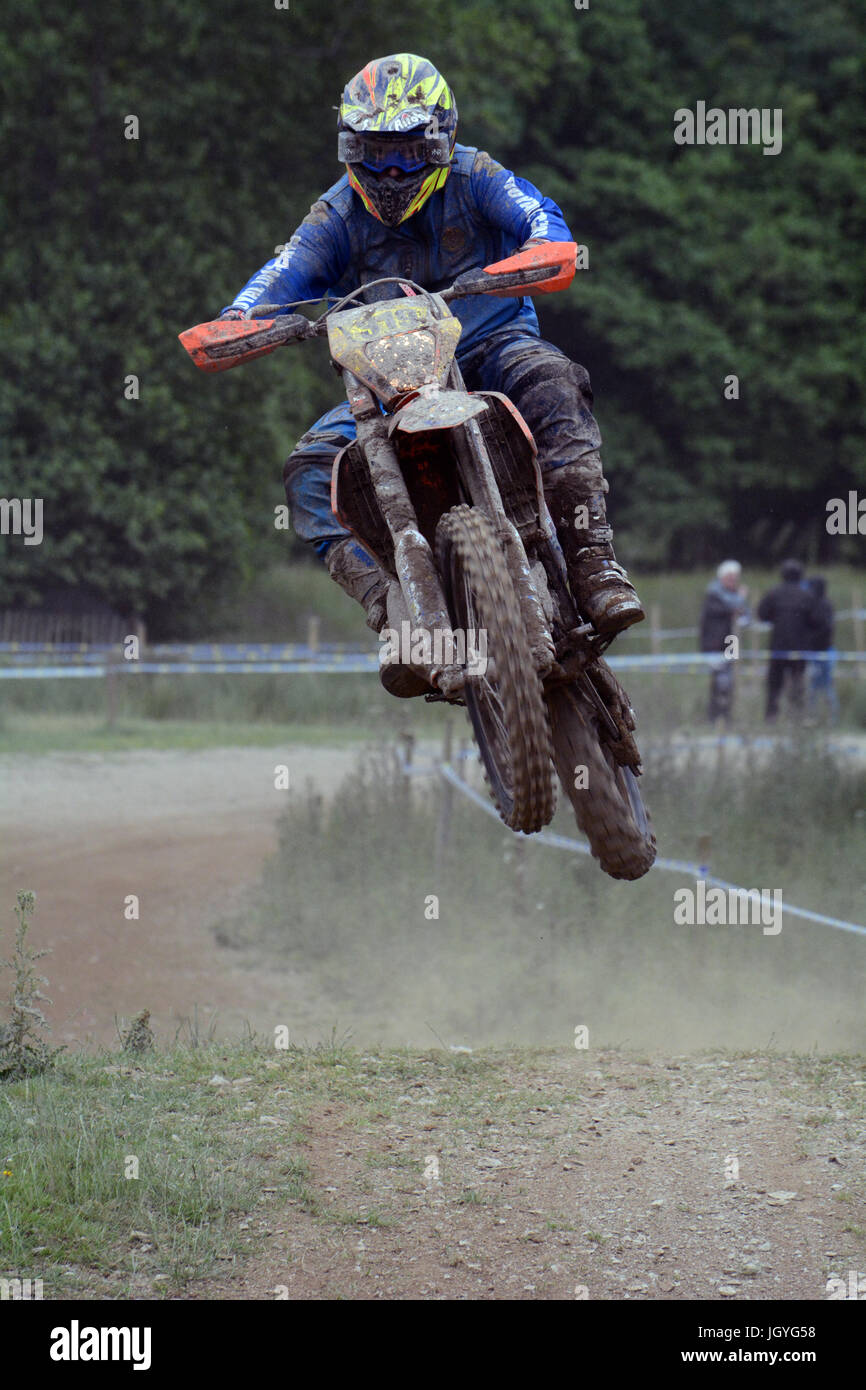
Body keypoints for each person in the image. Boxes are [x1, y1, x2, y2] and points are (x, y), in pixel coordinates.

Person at [217, 54, 644, 693]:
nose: (391, 171)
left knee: (555, 380)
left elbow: (537, 213)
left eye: (409, 153)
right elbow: (283, 272)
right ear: (349, 148)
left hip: (493, 348)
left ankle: (593, 560)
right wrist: (239, 317)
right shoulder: (334, 216)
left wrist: (543, 247)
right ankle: (394, 609)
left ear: (440, 140)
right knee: (310, 469)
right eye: (375, 153)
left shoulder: (477, 177)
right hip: (391, 383)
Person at [757, 559, 819, 720]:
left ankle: (771, 717)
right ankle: (796, 718)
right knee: (797, 684)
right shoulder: (807, 596)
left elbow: (761, 614)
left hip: (778, 646)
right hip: (799, 648)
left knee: (774, 685)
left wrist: (776, 619)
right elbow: (816, 621)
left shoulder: (774, 593)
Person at [699, 560, 750, 722]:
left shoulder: (732, 596)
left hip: (730, 644)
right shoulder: (714, 595)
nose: (734, 581)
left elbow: (744, 616)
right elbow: (732, 609)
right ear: (722, 577)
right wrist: (740, 600)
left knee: (728, 684)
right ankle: (716, 717)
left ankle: (725, 717)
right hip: (716, 646)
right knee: (720, 684)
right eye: (730, 577)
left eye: (736, 577)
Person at [804, 575, 838, 720]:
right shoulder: (826, 604)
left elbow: (823, 630)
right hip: (824, 651)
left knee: (820, 687)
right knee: (819, 687)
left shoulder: (819, 605)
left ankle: (823, 717)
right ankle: (823, 717)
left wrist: (808, 641)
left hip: (820, 652)